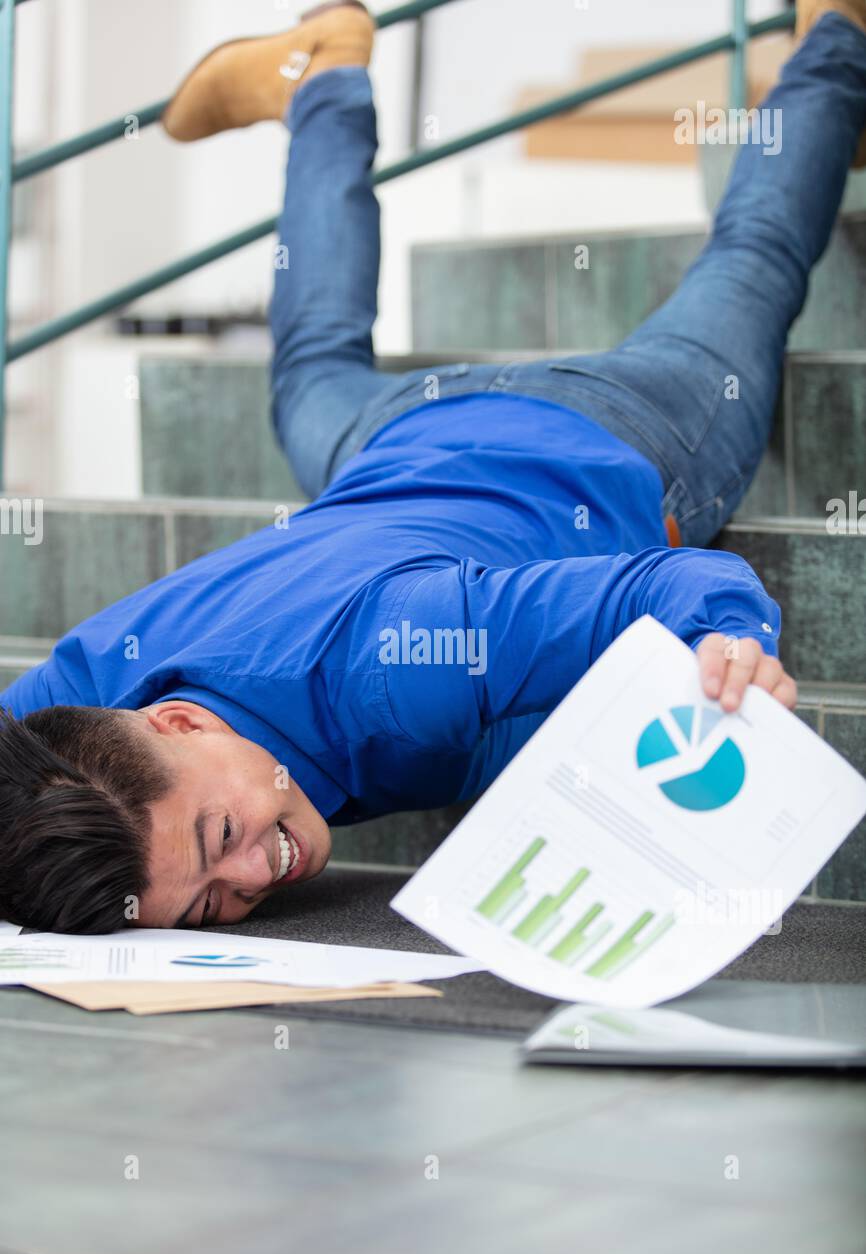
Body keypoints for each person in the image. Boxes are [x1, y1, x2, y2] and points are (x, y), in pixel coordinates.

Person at [1, 1, 864, 935]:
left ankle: (839, 36)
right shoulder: (80, 714)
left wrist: (729, 641)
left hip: (612, 425)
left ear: (177, 723)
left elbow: (679, 579)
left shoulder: (398, 670)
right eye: (204, 906)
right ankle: (325, 74)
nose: (253, 876)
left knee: (752, 262)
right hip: (393, 438)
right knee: (311, 370)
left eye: (219, 839)